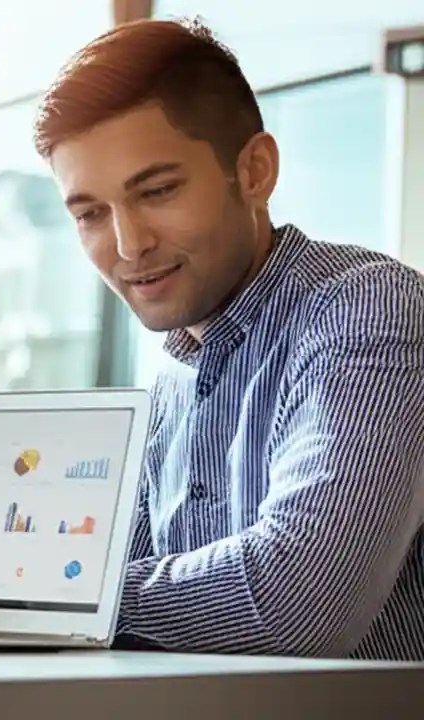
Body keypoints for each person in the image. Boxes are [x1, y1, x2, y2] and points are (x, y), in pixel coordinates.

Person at [35, 18, 424, 660]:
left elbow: (297, 603)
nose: (129, 246)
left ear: (256, 171)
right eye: (90, 214)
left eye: (157, 191)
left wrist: (47, 594)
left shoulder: (370, 313)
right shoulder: (168, 388)